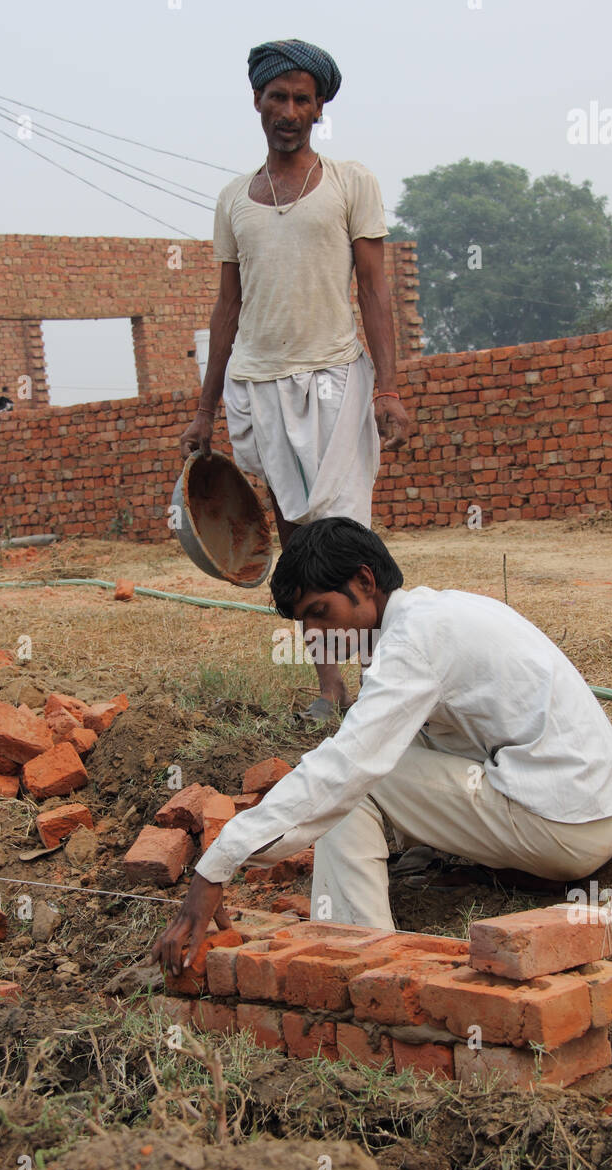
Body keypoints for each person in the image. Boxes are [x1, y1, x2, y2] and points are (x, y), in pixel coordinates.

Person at [152, 517, 612, 976]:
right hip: (585, 815)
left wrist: (215, 867)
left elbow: (348, 765)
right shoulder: (433, 615)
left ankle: (358, 956)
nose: (315, 635)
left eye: (320, 612)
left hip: (565, 828)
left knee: (358, 782)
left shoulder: (414, 643)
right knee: (372, 762)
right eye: (305, 623)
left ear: (365, 582)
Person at [182, 38, 410, 722]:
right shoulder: (234, 201)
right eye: (277, 97)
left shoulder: (349, 183)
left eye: (302, 100)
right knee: (299, 547)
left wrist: (390, 388)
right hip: (258, 387)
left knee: (348, 541)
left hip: (337, 381)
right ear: (257, 101)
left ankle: (384, 681)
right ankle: (328, 690)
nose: (289, 111)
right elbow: (227, 307)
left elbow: (374, 288)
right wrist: (203, 410)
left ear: (320, 108)